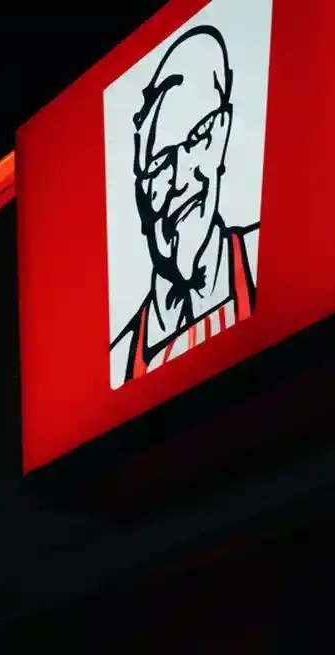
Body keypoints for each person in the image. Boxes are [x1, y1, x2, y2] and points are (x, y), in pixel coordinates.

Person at [109, 25, 259, 385]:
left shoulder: (268, 258)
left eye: (197, 137)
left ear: (222, 135)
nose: (180, 177)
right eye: (160, 161)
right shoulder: (118, 360)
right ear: (140, 190)